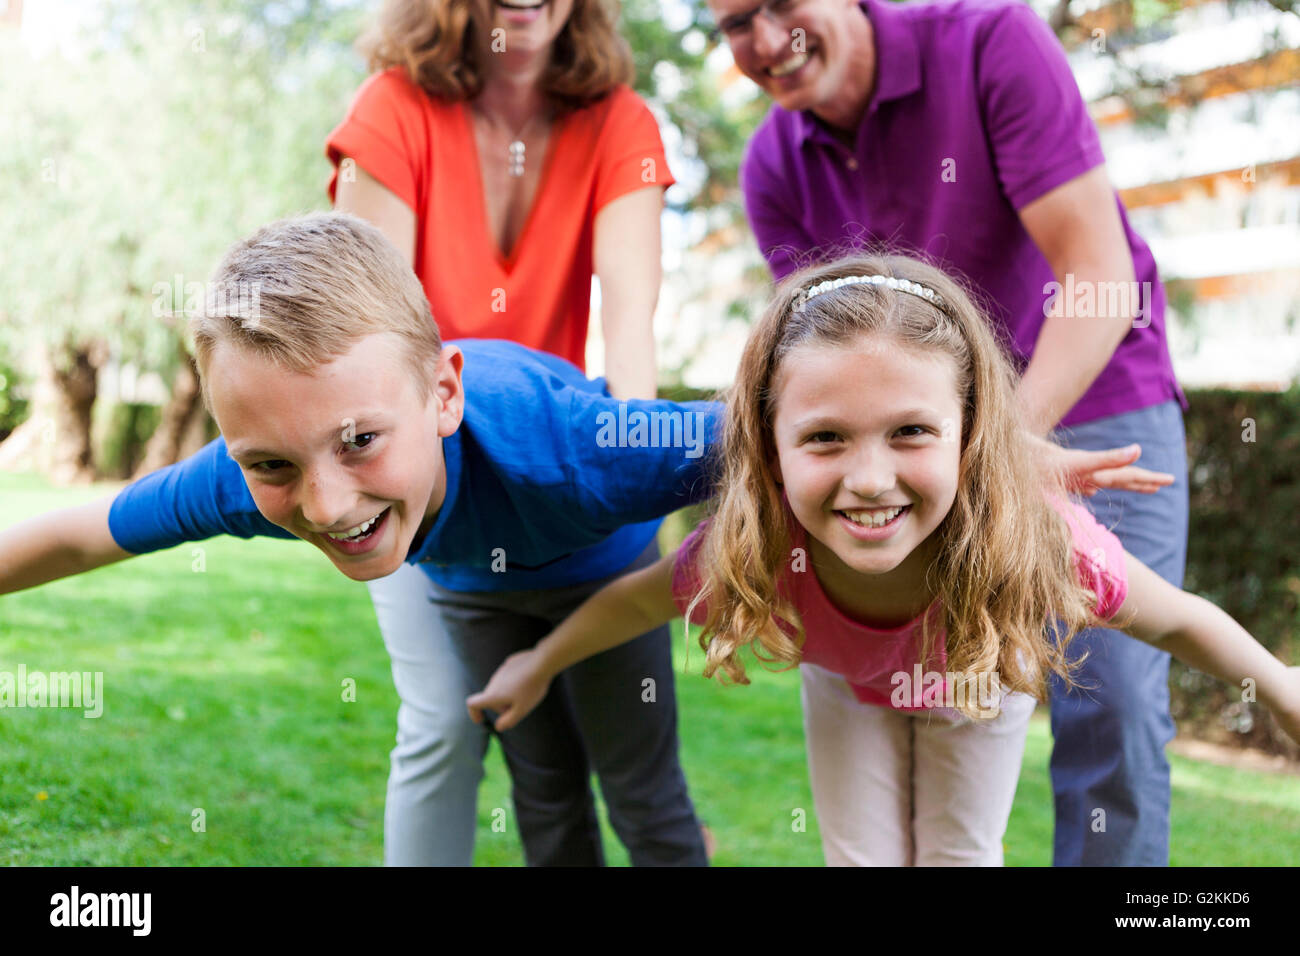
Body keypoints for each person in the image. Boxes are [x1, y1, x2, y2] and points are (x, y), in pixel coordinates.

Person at [0, 215, 1169, 865]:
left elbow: (793, 429)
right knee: (539, 784)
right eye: (271, 466)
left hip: (600, 568)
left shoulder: (588, 444)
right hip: (457, 580)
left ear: (444, 394)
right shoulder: (262, 462)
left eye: (360, 438)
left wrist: (993, 459)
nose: (320, 500)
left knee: (640, 786)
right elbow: (70, 535)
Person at [466, 254, 1300, 866]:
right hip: (848, 687)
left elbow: (1184, 622)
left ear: (971, 437)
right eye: (825, 438)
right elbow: (637, 602)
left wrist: (1287, 694)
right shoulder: (764, 547)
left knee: (956, 856)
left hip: (976, 672)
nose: (870, 480)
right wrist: (539, 663)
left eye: (910, 431)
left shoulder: (1036, 542)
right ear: (769, 445)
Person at [714, 0, 1190, 866]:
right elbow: (809, 353)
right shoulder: (772, 164)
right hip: (915, 448)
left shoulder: (989, 40)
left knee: (1110, 699)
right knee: (932, 672)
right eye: (733, 22)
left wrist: (996, 447)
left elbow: (1096, 275)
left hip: (1093, 396)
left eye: (780, 4)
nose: (763, 39)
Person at [325, 0, 679, 864]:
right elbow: (373, 338)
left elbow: (631, 332)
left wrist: (644, 494)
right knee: (450, 721)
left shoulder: (618, 121)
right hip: (419, 484)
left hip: (542, 475)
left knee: (625, 771)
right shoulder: (394, 109)